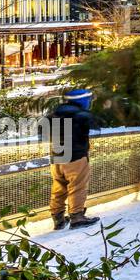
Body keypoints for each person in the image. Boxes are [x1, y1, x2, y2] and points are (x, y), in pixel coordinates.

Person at [46, 89, 100, 230]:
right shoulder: (82, 115)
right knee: (77, 186)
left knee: (59, 187)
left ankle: (58, 218)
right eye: (89, 99)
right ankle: (77, 217)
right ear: (83, 101)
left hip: (56, 157)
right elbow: (95, 129)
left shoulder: (54, 114)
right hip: (76, 157)